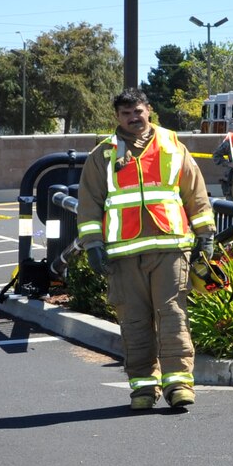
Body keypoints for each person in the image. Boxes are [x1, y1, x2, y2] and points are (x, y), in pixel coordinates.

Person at [77, 87, 216, 411]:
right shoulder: (103, 155)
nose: (133, 118)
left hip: (170, 248)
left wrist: (205, 233)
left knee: (172, 316)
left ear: (148, 110)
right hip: (123, 255)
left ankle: (179, 384)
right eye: (126, 114)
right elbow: (89, 205)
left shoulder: (171, 145)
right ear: (117, 117)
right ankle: (143, 388)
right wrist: (93, 244)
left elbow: (194, 192)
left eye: (137, 111)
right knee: (135, 323)